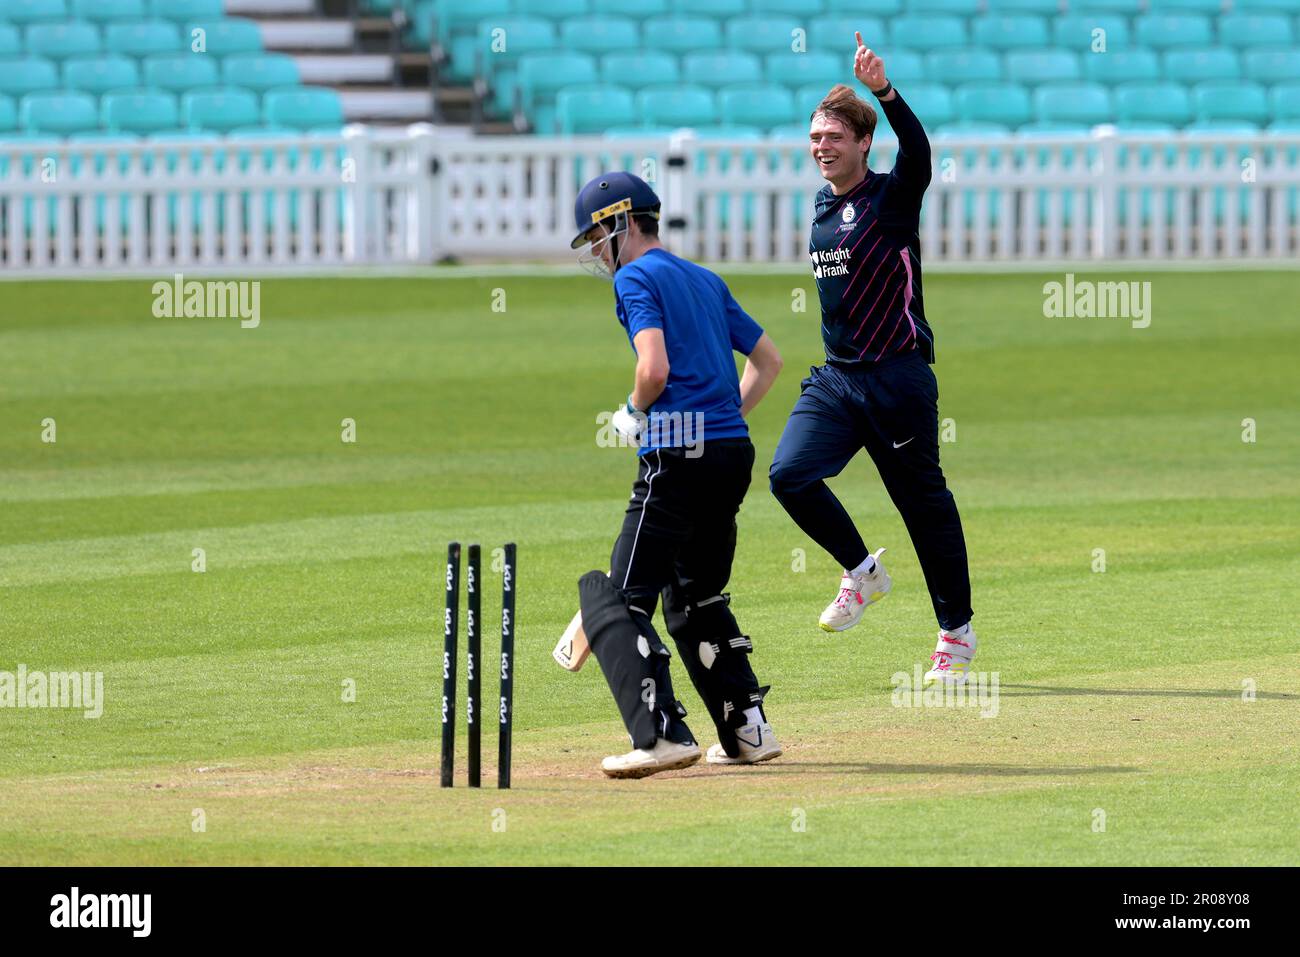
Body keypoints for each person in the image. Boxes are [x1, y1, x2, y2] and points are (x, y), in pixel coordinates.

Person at [768, 34, 978, 684]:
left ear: (863, 142)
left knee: (924, 506)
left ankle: (956, 636)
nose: (821, 147)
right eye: (814, 138)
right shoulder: (823, 205)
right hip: (838, 380)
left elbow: (918, 151)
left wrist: (883, 91)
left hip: (897, 377)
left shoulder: (891, 198)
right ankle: (863, 573)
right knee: (788, 474)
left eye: (833, 136)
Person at [570, 171, 785, 778]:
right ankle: (748, 732)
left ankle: (660, 734)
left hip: (673, 457)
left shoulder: (637, 276)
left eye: (595, 235)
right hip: (730, 455)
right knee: (696, 594)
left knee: (620, 596)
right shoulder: (704, 277)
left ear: (620, 222)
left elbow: (654, 367)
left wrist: (635, 413)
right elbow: (769, 361)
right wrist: (719, 423)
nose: (594, 251)